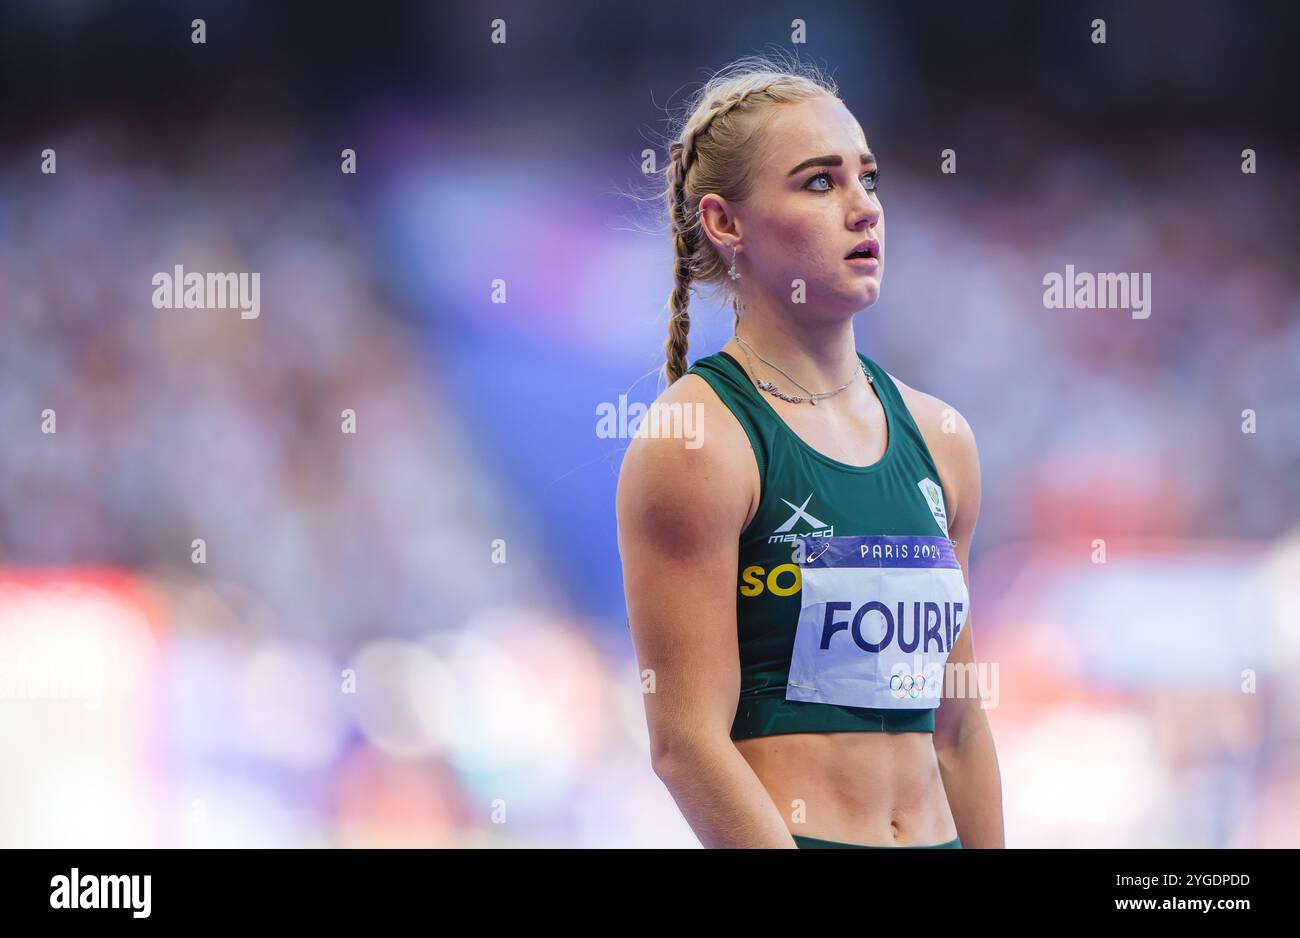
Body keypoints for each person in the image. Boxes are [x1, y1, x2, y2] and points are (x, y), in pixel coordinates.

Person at [616, 54, 1004, 848]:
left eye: (869, 178)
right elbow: (685, 745)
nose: (864, 208)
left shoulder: (942, 439)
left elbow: (959, 727)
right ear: (726, 224)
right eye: (820, 183)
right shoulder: (699, 439)